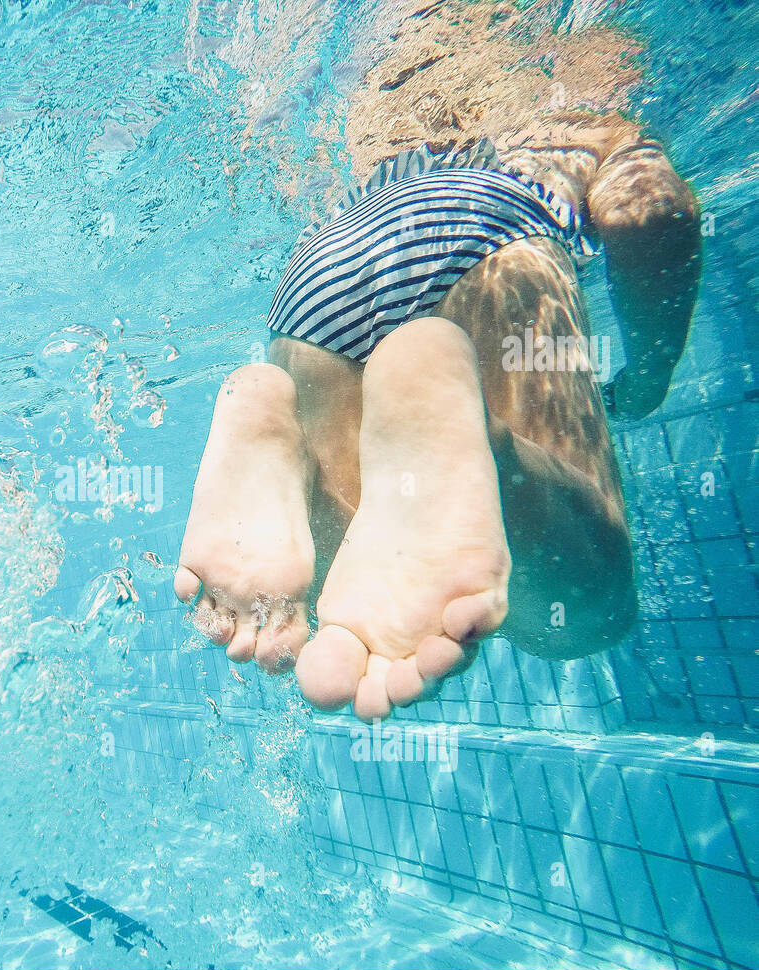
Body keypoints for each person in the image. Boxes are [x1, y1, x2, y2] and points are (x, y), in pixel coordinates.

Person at [172, 94, 702, 719]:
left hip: (314, 280)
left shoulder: (360, 138)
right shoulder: (570, 107)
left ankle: (289, 451)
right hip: (484, 222)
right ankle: (486, 444)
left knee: (347, 586)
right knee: (589, 616)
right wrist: (650, 371)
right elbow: (648, 212)